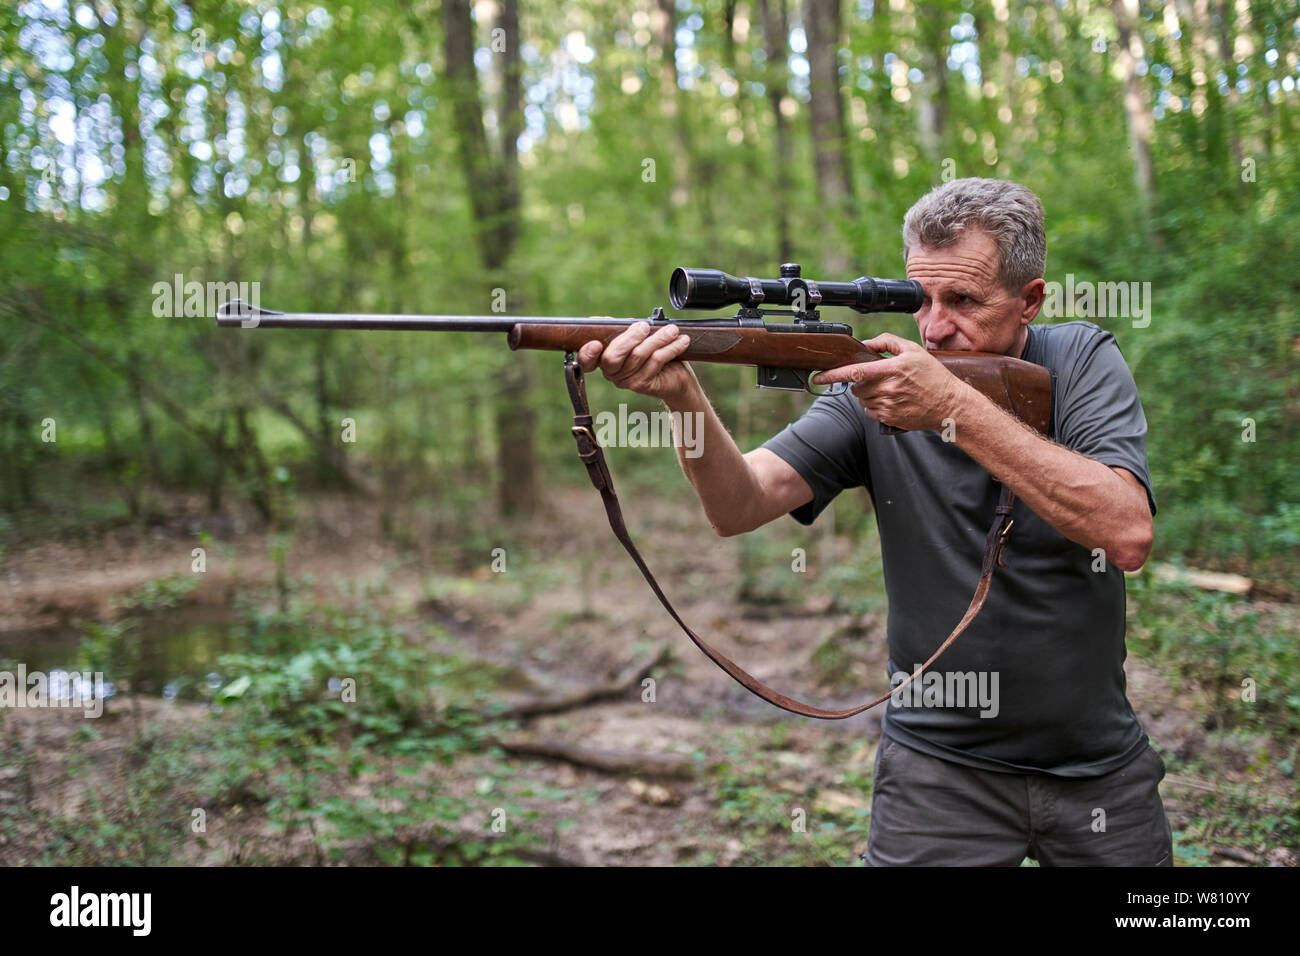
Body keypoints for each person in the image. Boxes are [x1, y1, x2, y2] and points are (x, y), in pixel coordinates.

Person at [577, 177, 1172, 866]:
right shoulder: (874, 390)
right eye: (922, 299)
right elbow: (738, 505)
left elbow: (1126, 533)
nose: (936, 326)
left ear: (1030, 300)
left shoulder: (1078, 362)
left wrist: (950, 405)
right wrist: (682, 397)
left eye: (965, 301)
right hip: (936, 771)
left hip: (1096, 762)